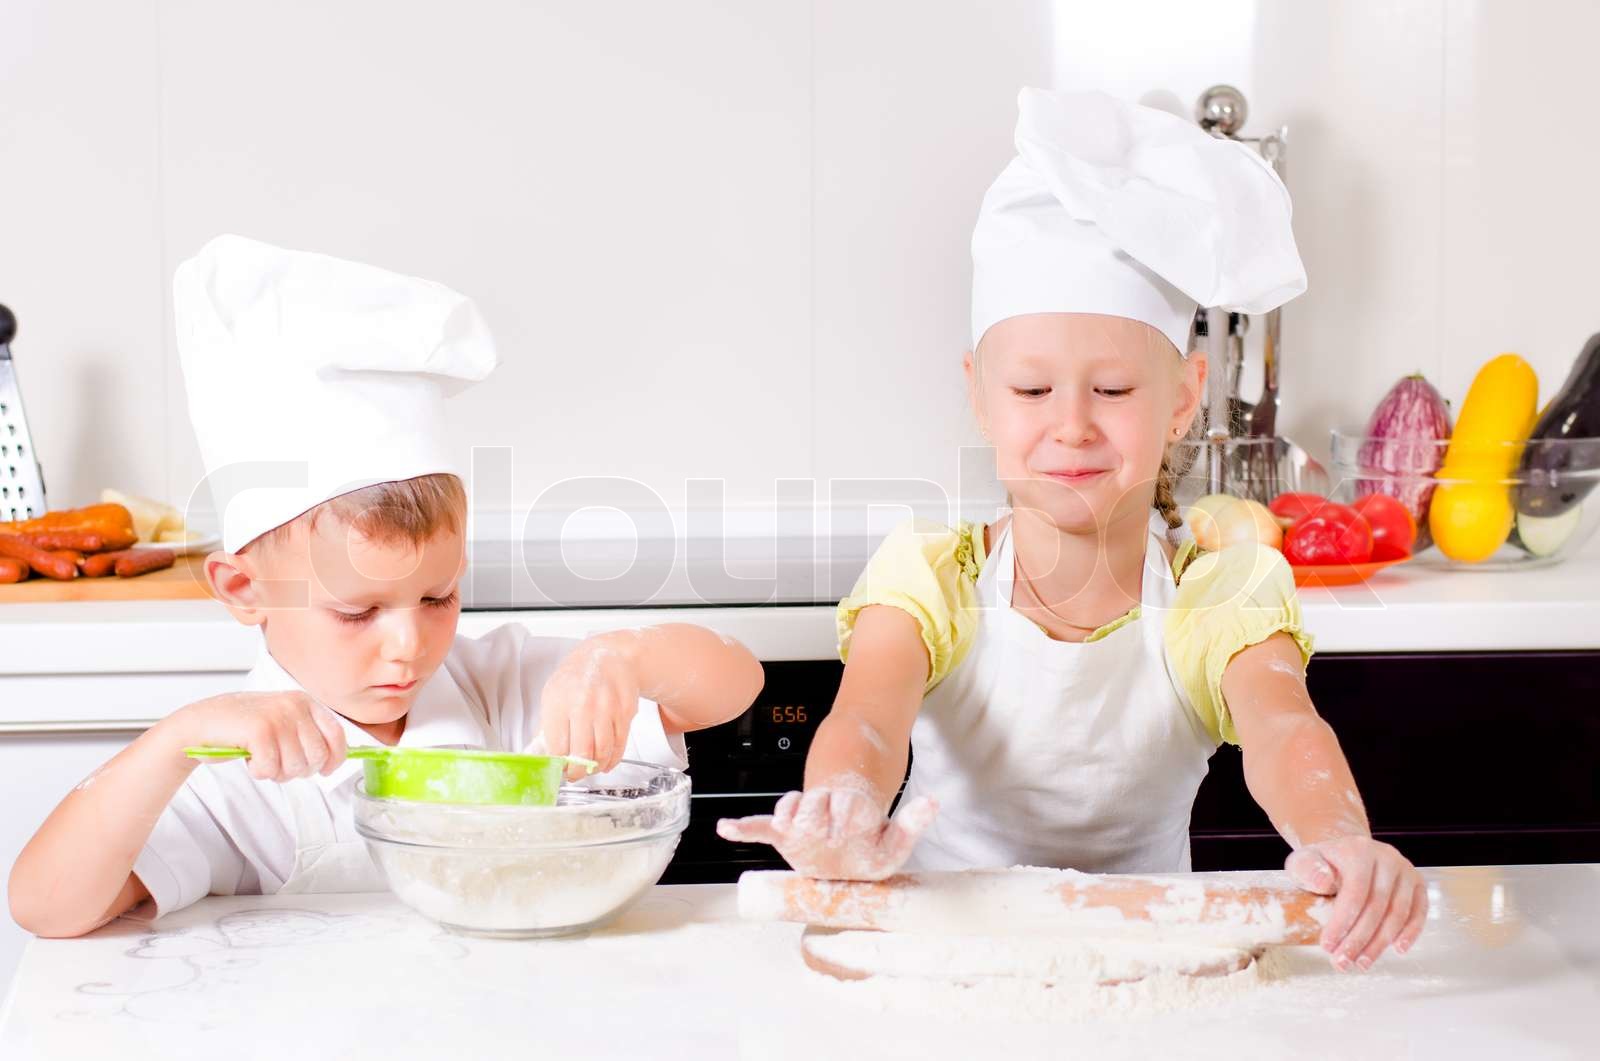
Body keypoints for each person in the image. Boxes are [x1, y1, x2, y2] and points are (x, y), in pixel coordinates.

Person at [720, 90, 1425, 971]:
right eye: (1030, 390)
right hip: (938, 972)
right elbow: (867, 720)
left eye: (1115, 390)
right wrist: (841, 807)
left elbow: (1285, 730)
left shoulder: (1220, 593)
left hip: (1156, 981)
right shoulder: (930, 580)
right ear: (979, 393)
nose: (1073, 424)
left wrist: (1340, 839)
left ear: (1182, 397)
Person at [11, 235, 764, 937]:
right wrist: (172, 742)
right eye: (357, 610)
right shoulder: (238, 779)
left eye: (437, 598)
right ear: (243, 587)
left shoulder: (500, 687)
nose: (410, 646)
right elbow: (46, 907)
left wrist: (626, 657)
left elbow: (735, 683)